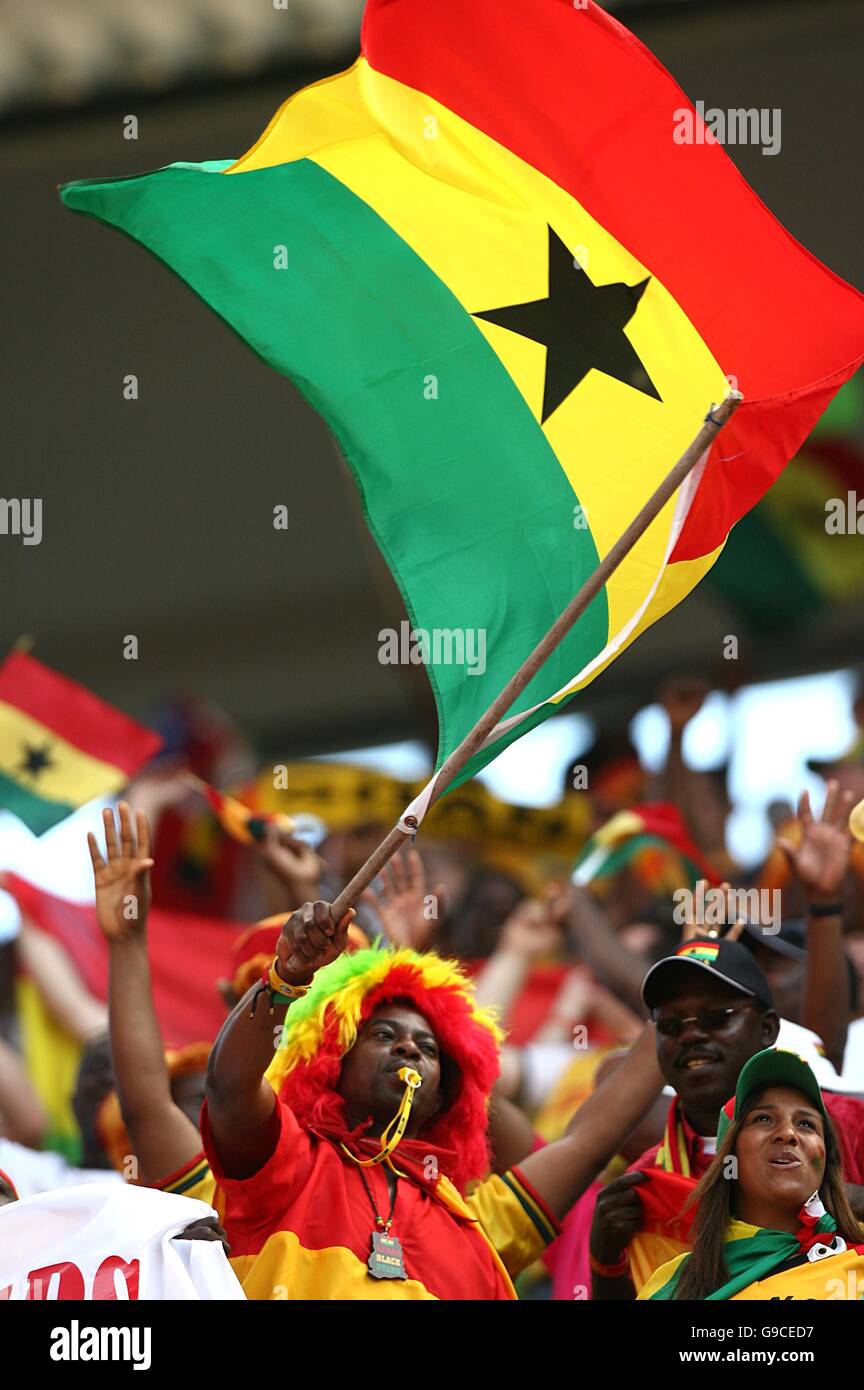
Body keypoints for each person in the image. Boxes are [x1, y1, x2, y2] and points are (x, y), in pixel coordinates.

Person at [203, 896, 664, 1299]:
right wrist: (288, 976)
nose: (408, 1048)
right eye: (383, 1034)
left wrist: (677, 1004)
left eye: (429, 1049)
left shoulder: (476, 1226)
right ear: (333, 1059)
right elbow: (231, 1088)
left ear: (448, 1097)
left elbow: (586, 1143)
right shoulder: (287, 1163)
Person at [639, 1047, 864, 1299]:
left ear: (825, 1159)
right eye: (763, 1119)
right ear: (729, 1159)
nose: (788, 1134)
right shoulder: (669, 1287)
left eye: (806, 1124)